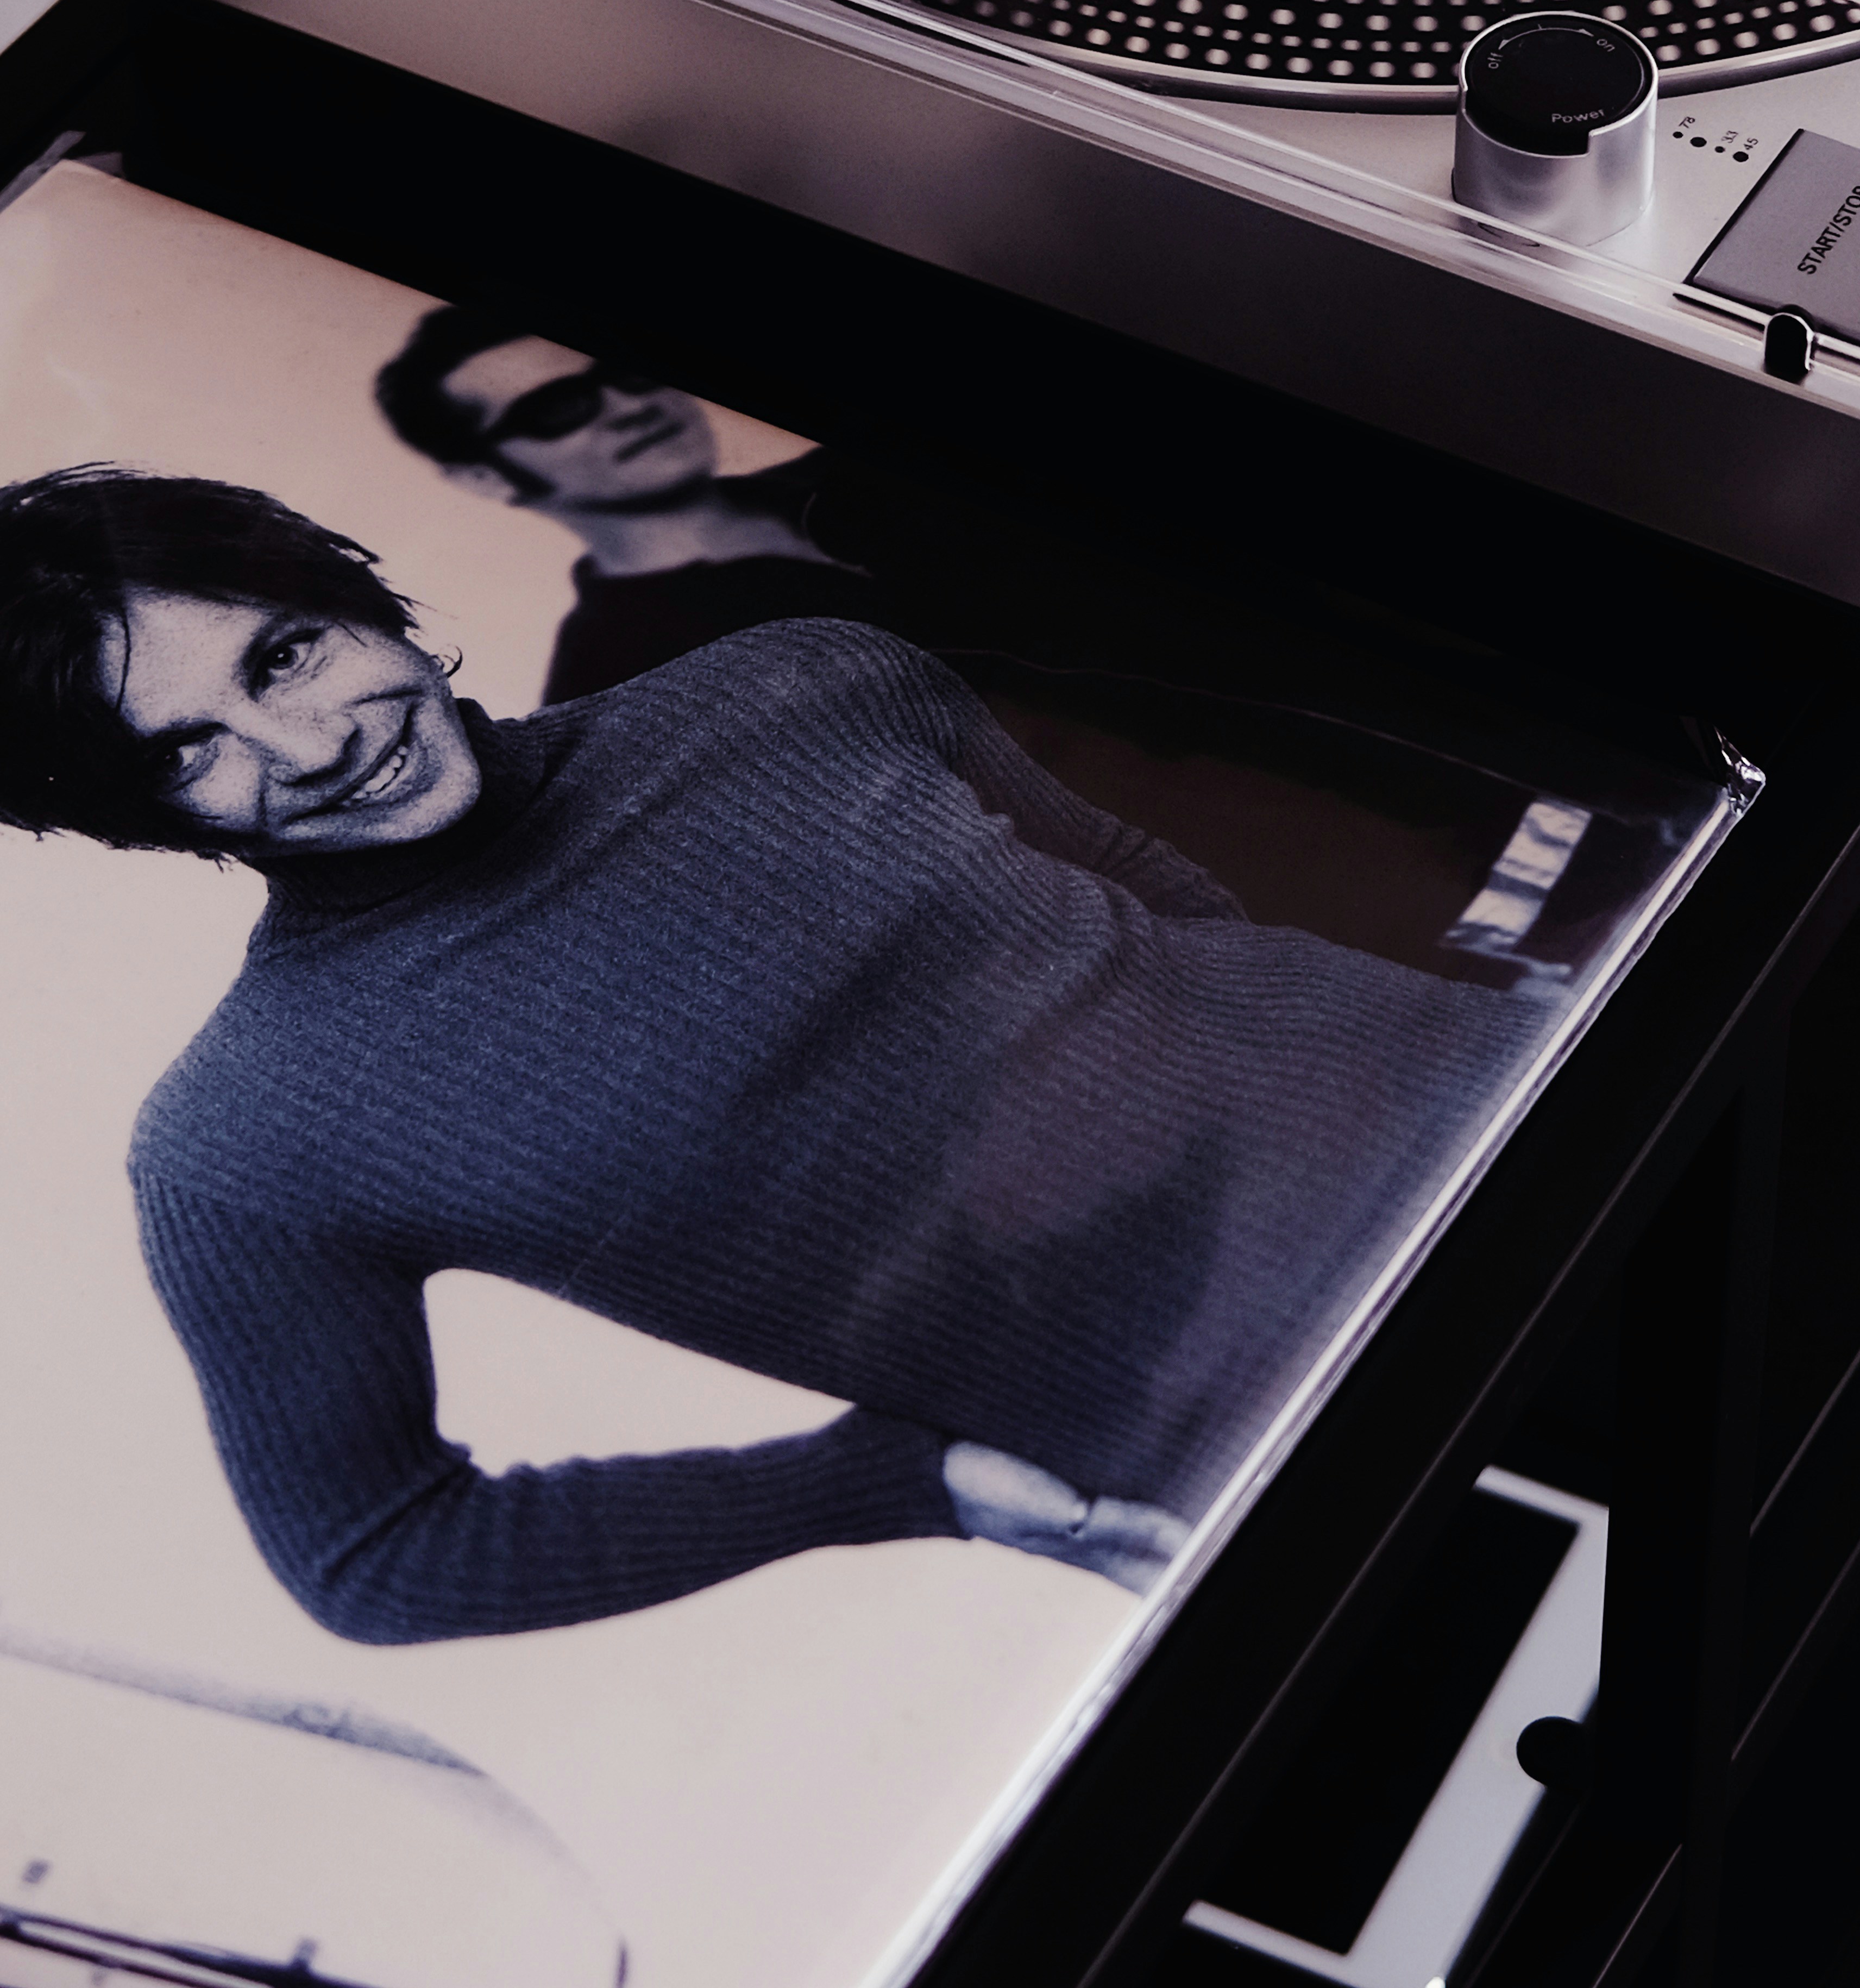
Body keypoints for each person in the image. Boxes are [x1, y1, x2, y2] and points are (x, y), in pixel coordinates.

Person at [0, 466, 1542, 1650]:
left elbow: (1154, 884)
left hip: (1543, 1120)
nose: (310, 746)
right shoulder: (246, 1141)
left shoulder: (793, 677)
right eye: (185, 751)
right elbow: (376, 1555)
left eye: (282, 657)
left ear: (351, 593)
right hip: (1322, 1444)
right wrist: (886, 1485)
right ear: (146, 821)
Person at [373, 307, 882, 703]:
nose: (632, 409)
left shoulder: (861, 471)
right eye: (558, 408)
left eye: (628, 372)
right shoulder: (621, 684)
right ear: (485, 477)